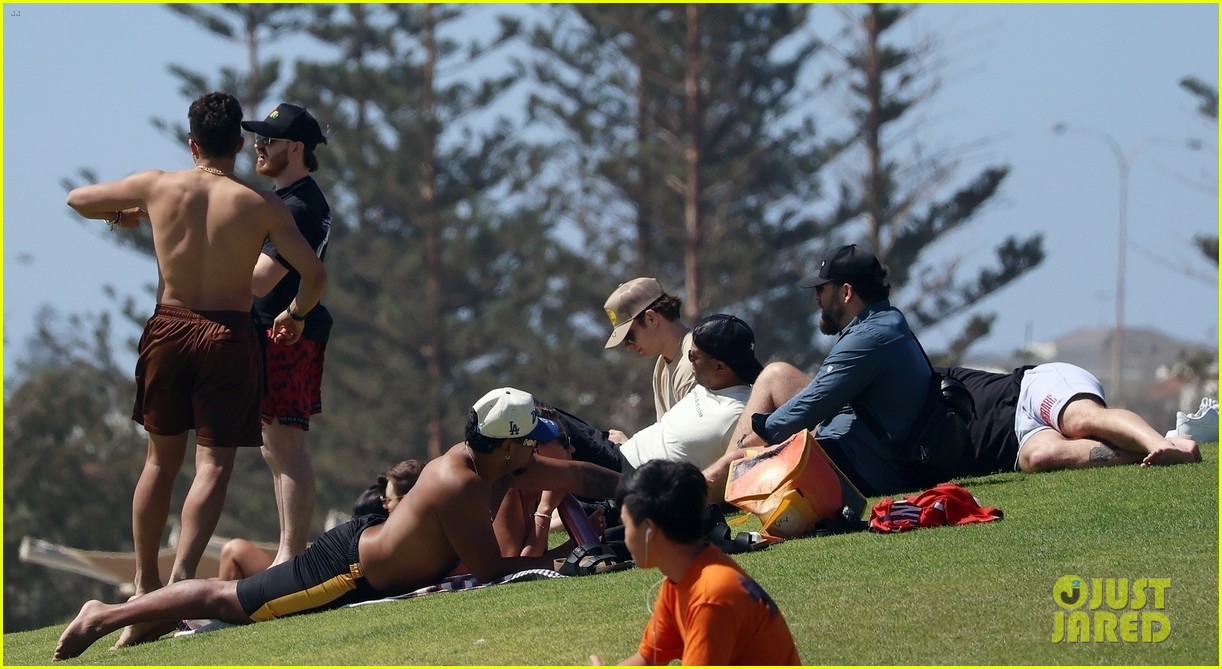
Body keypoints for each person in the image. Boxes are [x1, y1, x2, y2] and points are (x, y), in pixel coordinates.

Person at [54, 387, 620, 660]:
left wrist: (638, 490)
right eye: (531, 441)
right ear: (509, 445)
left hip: (364, 550)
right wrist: (572, 560)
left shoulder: (494, 458)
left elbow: (575, 476)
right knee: (230, 601)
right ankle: (106, 613)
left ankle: (138, 617)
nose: (537, 451)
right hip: (348, 573)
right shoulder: (461, 482)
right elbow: (496, 570)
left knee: (229, 597)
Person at [64, 92, 327, 649]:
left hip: (169, 327)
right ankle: (178, 586)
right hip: (228, 336)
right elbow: (312, 274)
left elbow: (76, 198)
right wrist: (297, 316)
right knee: (213, 465)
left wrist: (124, 214)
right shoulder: (260, 206)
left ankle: (144, 587)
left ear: (192, 144)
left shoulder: (159, 186)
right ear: (237, 143)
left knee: (159, 462)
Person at [729, 244, 932, 496]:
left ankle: (716, 488)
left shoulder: (868, 337)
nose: (816, 298)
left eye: (821, 289)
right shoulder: (887, 320)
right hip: (876, 454)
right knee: (774, 374)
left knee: (746, 466)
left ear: (846, 292)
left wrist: (760, 434)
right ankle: (727, 478)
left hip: (875, 469)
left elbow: (814, 402)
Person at [589, 460, 800, 666]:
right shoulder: (681, 578)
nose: (625, 538)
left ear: (649, 529)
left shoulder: (712, 595)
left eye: (626, 526)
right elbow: (650, 658)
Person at [242, 102, 334, 567]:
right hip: (272, 332)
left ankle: (290, 557)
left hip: (288, 334)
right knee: (272, 446)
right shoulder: (284, 200)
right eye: (258, 138)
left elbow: (259, 280)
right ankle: (287, 553)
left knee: (286, 445)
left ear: (296, 148)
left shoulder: (298, 205)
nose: (258, 146)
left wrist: (206, 259)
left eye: (269, 140)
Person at [937, 363, 1201, 475]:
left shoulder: (918, 375)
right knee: (1041, 458)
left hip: (1028, 390)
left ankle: (1157, 444)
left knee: (1080, 420)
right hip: (1019, 443)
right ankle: (1168, 446)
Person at [618, 314, 764, 502]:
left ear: (720, 367)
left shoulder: (737, 414)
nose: (689, 361)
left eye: (692, 356)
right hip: (622, 455)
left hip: (638, 483)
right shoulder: (712, 385)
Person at [218, 460, 422, 581]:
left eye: (388, 500)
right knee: (231, 557)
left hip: (313, 580)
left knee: (234, 550)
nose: (384, 505)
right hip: (315, 571)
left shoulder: (391, 539)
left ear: (405, 500)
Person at [603, 278, 696, 423]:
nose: (628, 346)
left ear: (651, 318)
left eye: (629, 336)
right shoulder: (661, 367)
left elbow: (697, 440)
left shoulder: (696, 360)